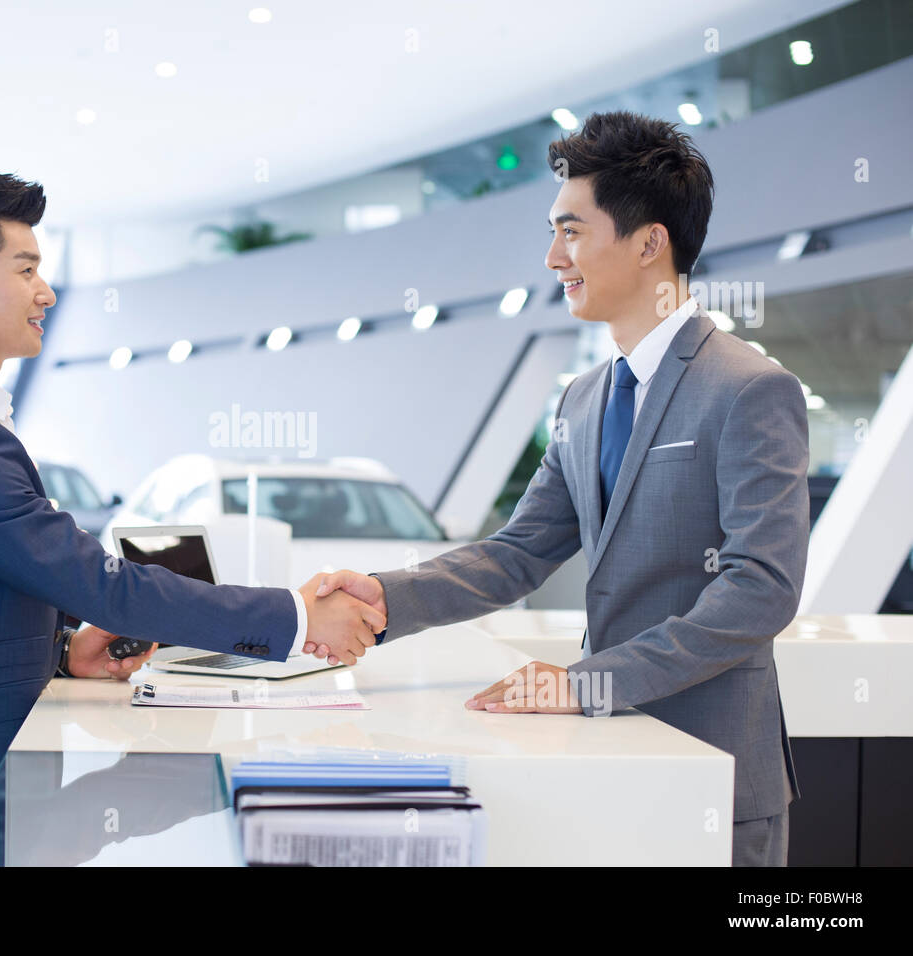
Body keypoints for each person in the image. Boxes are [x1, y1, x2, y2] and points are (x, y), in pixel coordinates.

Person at [311, 111, 807, 866]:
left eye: (571, 232)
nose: (552, 258)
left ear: (649, 244)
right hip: (609, 761)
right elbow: (519, 552)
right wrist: (387, 597)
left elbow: (761, 588)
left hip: (715, 778)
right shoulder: (582, 397)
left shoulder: (748, 389)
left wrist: (587, 684)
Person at [0, 167, 383, 866]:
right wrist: (299, 618)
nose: (45, 292)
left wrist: (64, 653)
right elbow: (100, 582)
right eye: (26, 269)